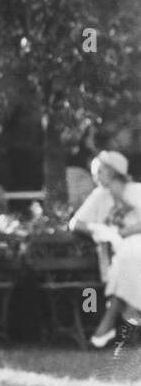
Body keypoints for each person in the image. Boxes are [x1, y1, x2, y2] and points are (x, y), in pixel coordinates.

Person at [69, 150, 141, 352]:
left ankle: (108, 324)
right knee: (126, 257)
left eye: (99, 172)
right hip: (113, 252)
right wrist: (97, 229)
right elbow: (76, 222)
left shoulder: (136, 191)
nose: (95, 177)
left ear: (113, 172)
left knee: (131, 254)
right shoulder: (99, 196)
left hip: (135, 244)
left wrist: (124, 231)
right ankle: (126, 315)